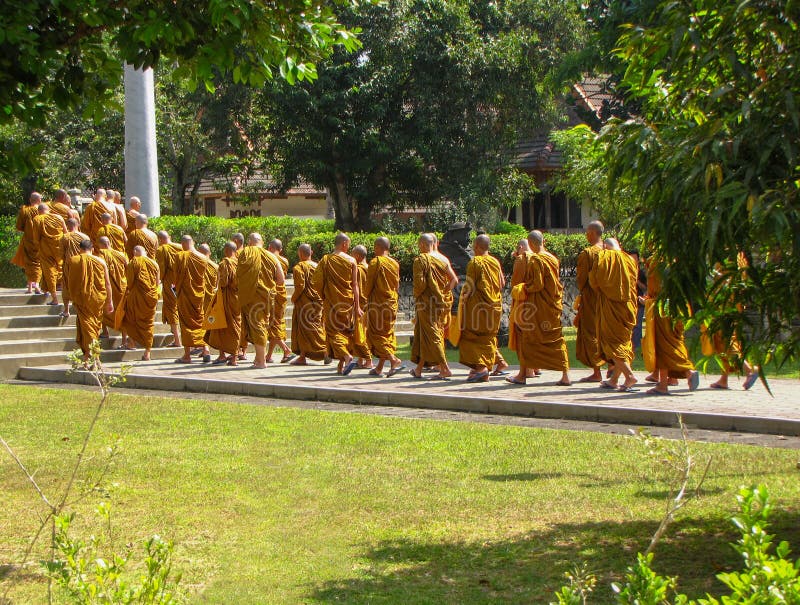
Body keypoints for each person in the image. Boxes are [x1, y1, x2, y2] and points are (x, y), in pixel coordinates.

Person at [508, 231, 572, 386]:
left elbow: (537, 285)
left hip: (537, 306)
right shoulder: (553, 258)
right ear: (544, 241)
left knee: (527, 337)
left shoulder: (536, 259)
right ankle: (565, 376)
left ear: (530, 244)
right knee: (556, 338)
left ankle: (523, 375)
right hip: (551, 304)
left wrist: (523, 288)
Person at [589, 238, 639, 392]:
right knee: (623, 342)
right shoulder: (630, 259)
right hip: (628, 306)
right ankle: (614, 379)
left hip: (611, 305)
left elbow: (594, 282)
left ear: (605, 246)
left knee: (612, 342)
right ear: (619, 246)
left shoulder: (604, 257)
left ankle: (630, 376)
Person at [643, 261, 700, 394]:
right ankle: (678, 376)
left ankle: (665, 383)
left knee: (663, 344)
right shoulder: (677, 259)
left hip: (663, 304)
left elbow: (655, 287)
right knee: (674, 340)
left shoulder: (657, 260)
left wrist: (649, 300)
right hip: (679, 304)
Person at [312, 233, 361, 375]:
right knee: (345, 333)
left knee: (333, 333)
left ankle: (346, 357)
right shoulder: (352, 260)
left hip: (332, 302)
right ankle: (341, 365)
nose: (349, 246)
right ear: (344, 243)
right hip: (348, 303)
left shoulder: (326, 260)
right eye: (349, 244)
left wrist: (324, 295)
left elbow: (317, 281)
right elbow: (355, 285)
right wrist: (357, 306)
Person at [458, 234, 504, 382]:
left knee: (470, 336)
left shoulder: (475, 262)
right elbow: (501, 283)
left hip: (478, 308)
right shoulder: (495, 261)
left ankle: (482, 368)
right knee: (488, 337)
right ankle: (481, 367)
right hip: (494, 305)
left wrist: (462, 298)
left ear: (477, 246)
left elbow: (469, 286)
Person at [410, 233, 456, 380]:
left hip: (426, 303)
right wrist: (442, 293)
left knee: (433, 335)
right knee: (429, 335)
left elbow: (420, 285)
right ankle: (418, 369)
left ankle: (445, 368)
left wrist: (419, 294)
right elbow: (454, 280)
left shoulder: (421, 260)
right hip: (440, 303)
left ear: (422, 245)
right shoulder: (443, 259)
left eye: (419, 245)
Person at [237, 233, 284, 369]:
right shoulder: (272, 256)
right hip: (266, 297)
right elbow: (281, 280)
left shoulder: (245, 252)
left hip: (249, 296)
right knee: (260, 325)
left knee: (257, 326)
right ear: (262, 242)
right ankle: (258, 359)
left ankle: (261, 362)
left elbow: (238, 274)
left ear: (250, 242)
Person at [67, 239, 113, 363]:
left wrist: (72, 296)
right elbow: (108, 284)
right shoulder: (101, 261)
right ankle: (89, 357)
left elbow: (70, 281)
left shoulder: (73, 260)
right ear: (92, 249)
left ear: (79, 249)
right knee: (91, 327)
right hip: (97, 299)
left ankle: (93, 357)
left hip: (81, 298)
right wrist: (110, 301)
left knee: (88, 327)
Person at [364, 237, 404, 377]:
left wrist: (364, 297)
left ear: (378, 247)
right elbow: (397, 285)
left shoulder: (376, 262)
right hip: (391, 302)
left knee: (375, 334)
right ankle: (379, 368)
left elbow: (369, 284)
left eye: (375, 247)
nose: (374, 250)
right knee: (386, 334)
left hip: (378, 303)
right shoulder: (395, 263)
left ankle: (393, 360)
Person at [575, 220, 606, 382]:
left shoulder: (588, 253)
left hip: (592, 299)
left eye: (587, 232)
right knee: (609, 333)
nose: (586, 235)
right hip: (610, 300)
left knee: (591, 333)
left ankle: (597, 372)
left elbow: (581, 280)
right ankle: (615, 369)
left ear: (593, 233)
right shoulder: (613, 251)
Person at [173, 235, 211, 363]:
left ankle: (187, 355)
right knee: (200, 322)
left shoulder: (179, 256)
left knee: (185, 323)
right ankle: (206, 349)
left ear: (182, 244)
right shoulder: (203, 258)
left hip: (185, 295)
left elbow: (176, 278)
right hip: (199, 296)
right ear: (193, 243)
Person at [289, 244, 327, 365]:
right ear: (311, 252)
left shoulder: (299, 267)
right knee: (308, 328)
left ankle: (326, 351)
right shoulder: (318, 266)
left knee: (310, 328)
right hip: (318, 301)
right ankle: (302, 356)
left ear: (300, 254)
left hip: (305, 303)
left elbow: (300, 286)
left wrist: (294, 298)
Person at [205, 242, 242, 366]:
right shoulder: (240, 263)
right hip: (237, 299)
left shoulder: (225, 263)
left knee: (221, 325)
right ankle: (235, 356)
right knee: (236, 327)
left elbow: (224, 282)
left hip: (225, 299)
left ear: (226, 250)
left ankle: (222, 355)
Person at [121, 245, 160, 360]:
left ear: (134, 252)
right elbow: (157, 283)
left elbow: (130, 283)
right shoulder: (155, 264)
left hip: (136, 297)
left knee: (131, 320)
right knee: (148, 324)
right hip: (151, 297)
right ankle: (147, 352)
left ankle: (132, 342)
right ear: (145, 252)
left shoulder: (133, 262)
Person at [508, 238, 535, 378]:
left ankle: (526, 371)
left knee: (522, 335)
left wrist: (517, 259)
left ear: (520, 247)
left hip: (523, 302)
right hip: (537, 302)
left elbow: (516, 283)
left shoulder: (521, 259)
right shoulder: (540, 257)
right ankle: (535, 367)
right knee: (534, 335)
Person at [30, 203, 67, 306]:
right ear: (49, 210)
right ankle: (49, 291)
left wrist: (38, 249)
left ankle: (55, 298)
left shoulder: (37, 219)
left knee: (49, 271)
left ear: (39, 211)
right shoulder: (59, 217)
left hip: (46, 250)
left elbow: (36, 239)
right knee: (60, 269)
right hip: (59, 248)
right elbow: (65, 232)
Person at [266, 239, 294, 364]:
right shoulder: (285, 260)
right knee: (276, 323)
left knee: (273, 323)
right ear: (281, 249)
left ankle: (286, 349)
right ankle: (269, 355)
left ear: (269, 247)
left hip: (272, 293)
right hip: (282, 293)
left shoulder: (268, 259)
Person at [96, 236, 128, 341]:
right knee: (121, 312)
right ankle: (124, 339)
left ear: (101, 245)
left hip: (107, 287)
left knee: (102, 310)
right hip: (122, 286)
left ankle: (105, 332)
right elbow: (128, 268)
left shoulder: (100, 254)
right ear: (109, 243)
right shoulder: (121, 254)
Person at [155, 231, 183, 348]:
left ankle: (177, 340)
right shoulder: (181, 247)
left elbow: (161, 270)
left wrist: (158, 281)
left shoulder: (161, 250)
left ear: (160, 240)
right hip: (182, 282)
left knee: (172, 310)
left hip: (170, 283)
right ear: (170, 237)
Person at [59, 218, 90, 319]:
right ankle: (83, 309)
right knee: (83, 286)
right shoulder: (85, 236)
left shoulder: (65, 237)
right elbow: (90, 252)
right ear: (78, 224)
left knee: (67, 287)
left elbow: (61, 254)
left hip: (70, 266)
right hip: (83, 265)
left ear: (68, 226)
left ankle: (66, 310)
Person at [12, 192, 43, 294]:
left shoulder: (24, 210)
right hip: (39, 240)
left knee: (29, 263)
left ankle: (30, 287)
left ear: (30, 200)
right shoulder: (42, 211)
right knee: (38, 263)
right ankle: (37, 285)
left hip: (28, 241)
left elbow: (19, 227)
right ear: (39, 200)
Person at [350, 244, 373, 370]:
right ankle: (360, 359)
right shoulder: (370, 268)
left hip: (361, 305)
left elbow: (356, 287)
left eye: (352, 255)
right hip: (369, 304)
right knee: (362, 333)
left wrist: (356, 305)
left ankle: (368, 360)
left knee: (360, 334)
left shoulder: (358, 269)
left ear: (358, 256)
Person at [630, 249, 647, 355]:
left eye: (635, 258)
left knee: (637, 325)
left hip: (639, 302)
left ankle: (637, 347)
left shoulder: (641, 273)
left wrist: (636, 280)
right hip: (628, 302)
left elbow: (645, 287)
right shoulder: (625, 270)